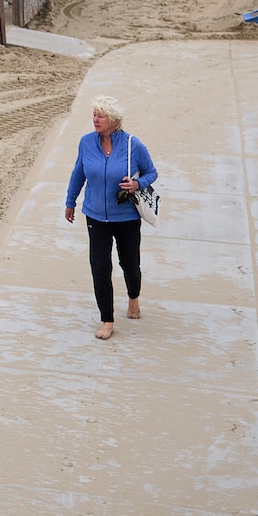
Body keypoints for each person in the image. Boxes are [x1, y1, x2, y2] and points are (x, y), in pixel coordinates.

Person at [64, 94, 157, 340]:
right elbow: (78, 173)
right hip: (95, 216)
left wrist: (137, 184)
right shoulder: (86, 142)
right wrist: (70, 202)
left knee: (130, 265)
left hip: (126, 217)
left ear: (114, 120)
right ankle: (107, 319)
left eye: (101, 116)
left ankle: (133, 297)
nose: (95, 119)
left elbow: (151, 172)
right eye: (94, 115)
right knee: (100, 267)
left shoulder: (133, 145)